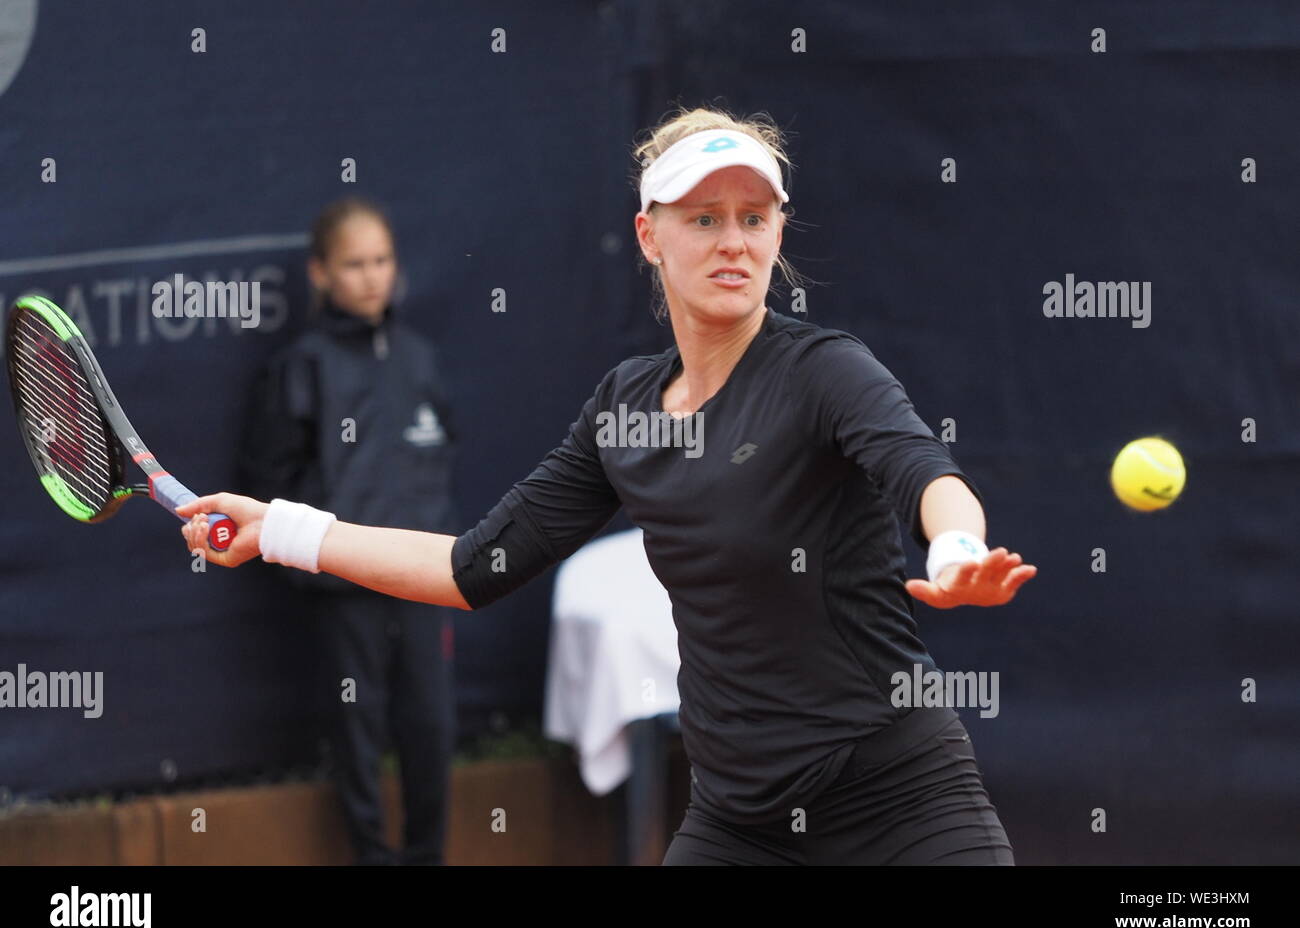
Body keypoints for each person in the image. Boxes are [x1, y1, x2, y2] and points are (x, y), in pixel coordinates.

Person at [180, 106, 1036, 865]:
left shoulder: (827, 372)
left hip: (900, 800)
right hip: (742, 825)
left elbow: (927, 473)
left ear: (780, 231)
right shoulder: (623, 411)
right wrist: (280, 528)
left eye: (754, 217)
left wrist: (956, 547)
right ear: (649, 235)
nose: (733, 241)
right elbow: (473, 567)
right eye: (703, 218)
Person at [237, 197, 459, 865]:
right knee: (355, 731)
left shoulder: (421, 358)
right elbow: (265, 480)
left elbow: (442, 455)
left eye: (382, 260)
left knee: (431, 727)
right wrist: (317, 554)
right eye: (354, 263)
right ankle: (371, 856)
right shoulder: (300, 366)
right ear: (321, 273)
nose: (371, 276)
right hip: (341, 592)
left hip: (425, 580)